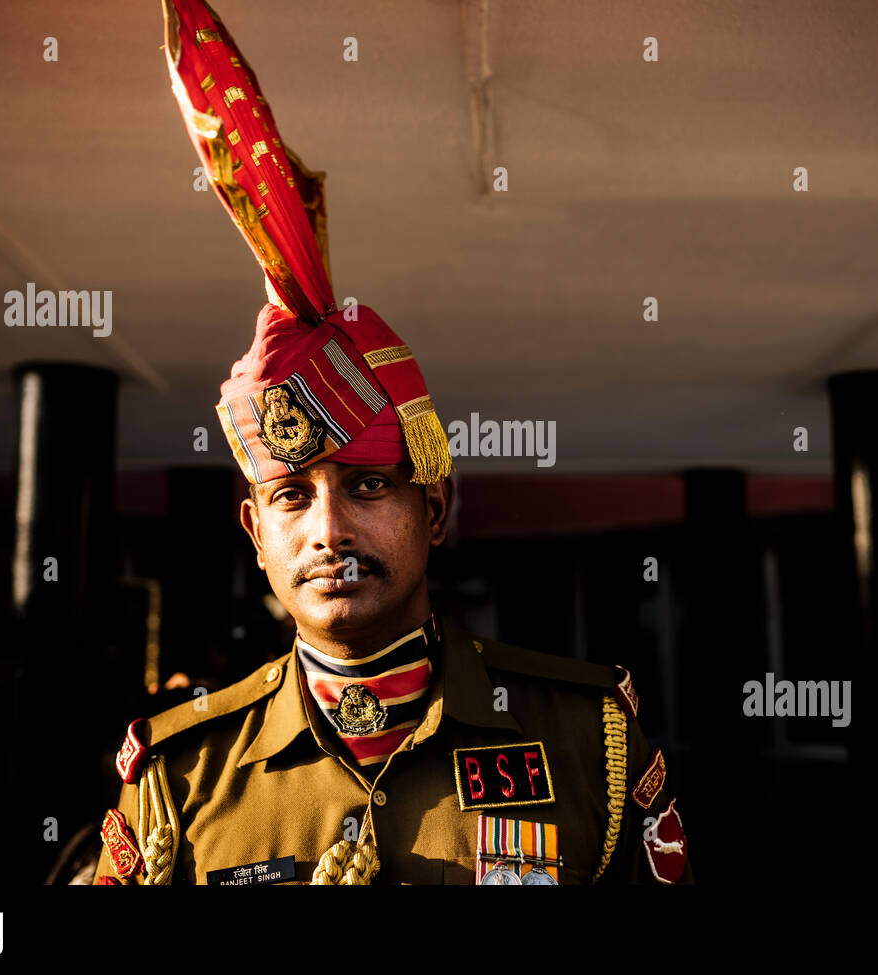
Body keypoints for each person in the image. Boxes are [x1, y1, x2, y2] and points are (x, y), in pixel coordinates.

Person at [90, 0, 691, 885]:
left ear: (434, 505)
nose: (328, 528)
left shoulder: (585, 737)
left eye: (367, 486)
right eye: (292, 496)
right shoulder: (180, 779)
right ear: (256, 536)